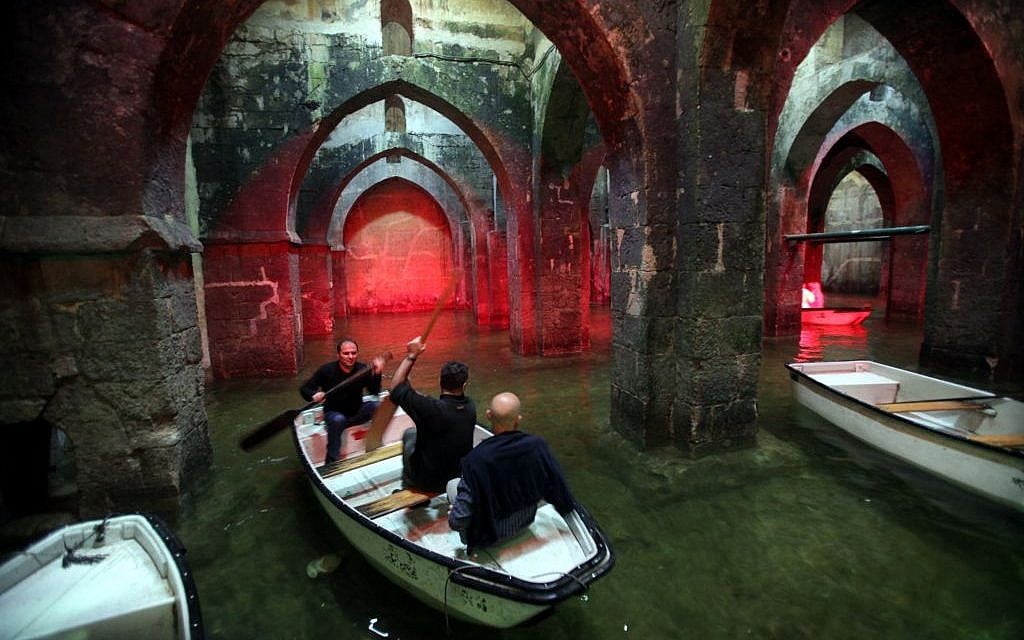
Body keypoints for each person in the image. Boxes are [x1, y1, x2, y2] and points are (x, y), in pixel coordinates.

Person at [446, 392, 575, 549]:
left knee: (453, 484)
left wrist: (454, 516)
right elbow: (559, 491)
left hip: (489, 536)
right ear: (518, 419)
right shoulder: (537, 446)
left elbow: (457, 521)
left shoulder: (475, 460)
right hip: (525, 522)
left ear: (488, 415)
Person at [386, 335, 476, 492]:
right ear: (465, 385)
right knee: (413, 433)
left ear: (440, 381)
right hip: (458, 474)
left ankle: (409, 487)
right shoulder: (470, 407)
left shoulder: (430, 409)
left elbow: (395, 389)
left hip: (430, 482)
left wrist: (411, 356)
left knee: (409, 436)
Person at [300, 338, 386, 465]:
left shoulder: (362, 369)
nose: (350, 356)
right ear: (338, 354)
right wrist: (314, 395)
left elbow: (374, 391)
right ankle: (331, 461)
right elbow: (305, 388)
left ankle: (375, 442)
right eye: (346, 353)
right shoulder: (326, 370)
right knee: (338, 420)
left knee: (377, 406)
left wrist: (377, 374)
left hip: (356, 412)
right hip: (334, 415)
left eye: (353, 353)